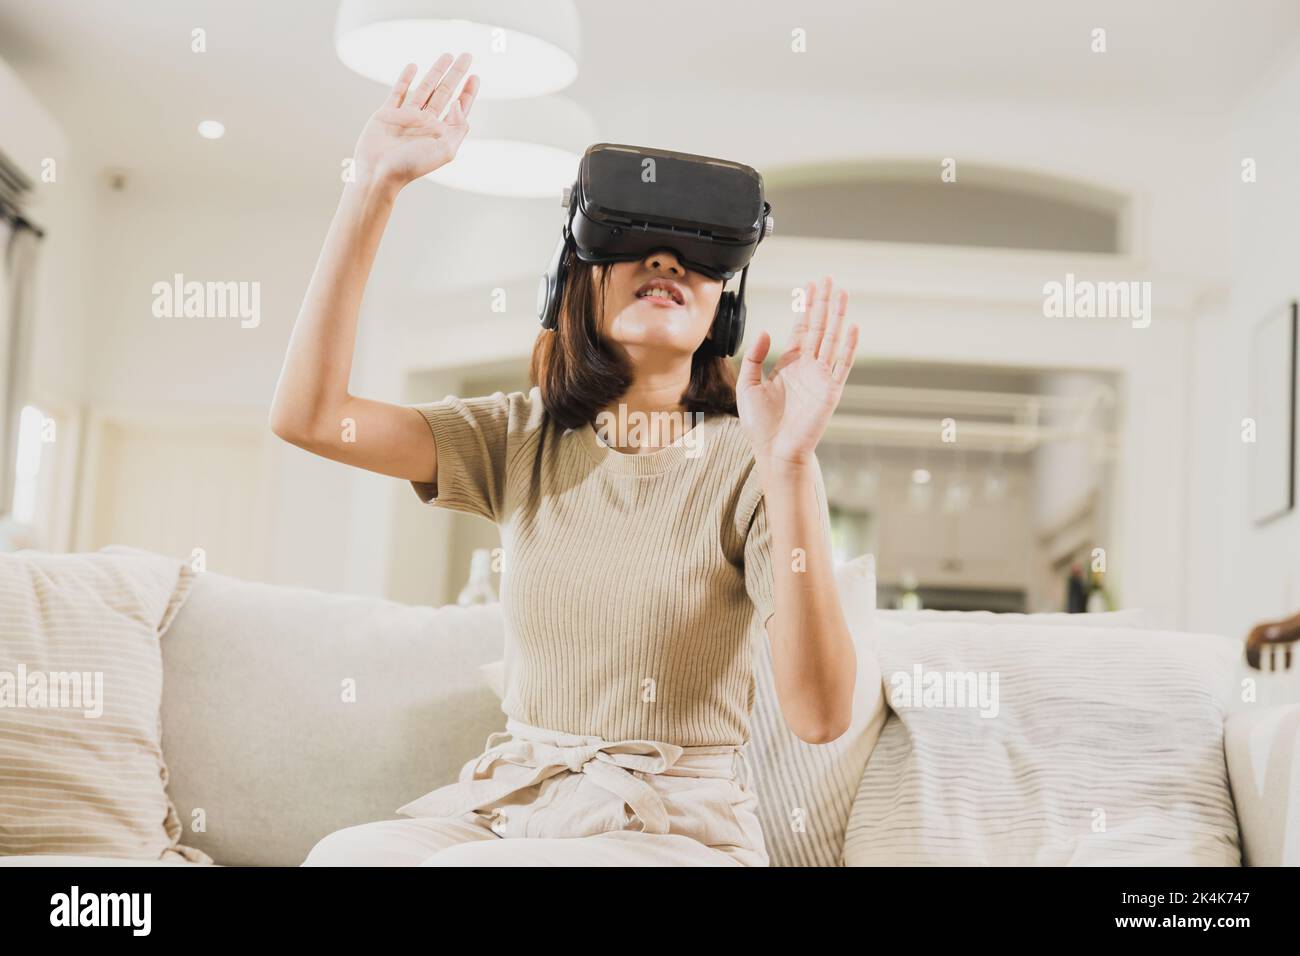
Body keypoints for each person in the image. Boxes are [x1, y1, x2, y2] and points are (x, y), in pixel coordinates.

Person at [271, 51, 861, 867]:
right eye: (637, 247)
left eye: (693, 256)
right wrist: (373, 185)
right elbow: (310, 417)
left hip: (674, 830)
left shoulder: (756, 462)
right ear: (572, 286)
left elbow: (821, 716)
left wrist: (791, 467)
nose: (666, 263)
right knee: (347, 856)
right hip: (518, 807)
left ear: (724, 310)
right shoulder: (522, 435)